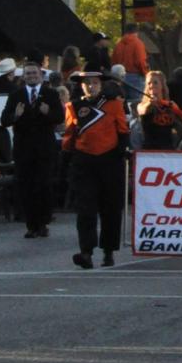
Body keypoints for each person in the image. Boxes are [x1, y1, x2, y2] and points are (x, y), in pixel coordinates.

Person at [63, 71, 130, 268]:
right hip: (84, 163)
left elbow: (123, 131)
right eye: (86, 83)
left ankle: (108, 251)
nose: (90, 86)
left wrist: (121, 151)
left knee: (110, 208)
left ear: (101, 85)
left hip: (110, 162)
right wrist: (66, 157)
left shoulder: (114, 104)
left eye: (94, 83)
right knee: (85, 209)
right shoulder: (73, 106)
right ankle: (86, 252)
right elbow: (69, 135)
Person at [1, 60, 65, 239]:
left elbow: (59, 117)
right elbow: (4, 120)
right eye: (28, 73)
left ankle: (43, 222)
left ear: (41, 75)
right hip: (24, 149)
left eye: (34, 73)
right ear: (24, 76)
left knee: (43, 185)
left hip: (44, 148)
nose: (31, 76)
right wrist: (16, 115)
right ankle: (31, 225)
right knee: (26, 186)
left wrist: (48, 113)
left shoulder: (50, 94)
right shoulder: (16, 96)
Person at [137, 70, 182, 150]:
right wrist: (150, 102)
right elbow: (143, 111)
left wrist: (173, 108)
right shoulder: (142, 105)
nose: (151, 85)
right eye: (149, 83)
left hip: (168, 149)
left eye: (155, 82)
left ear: (162, 85)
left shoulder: (170, 105)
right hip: (149, 150)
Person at [112, 23, 149, 100]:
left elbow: (113, 61)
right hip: (135, 76)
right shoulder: (138, 43)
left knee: (123, 102)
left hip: (120, 77)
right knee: (137, 102)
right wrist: (145, 73)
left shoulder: (118, 44)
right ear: (136, 31)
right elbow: (140, 61)